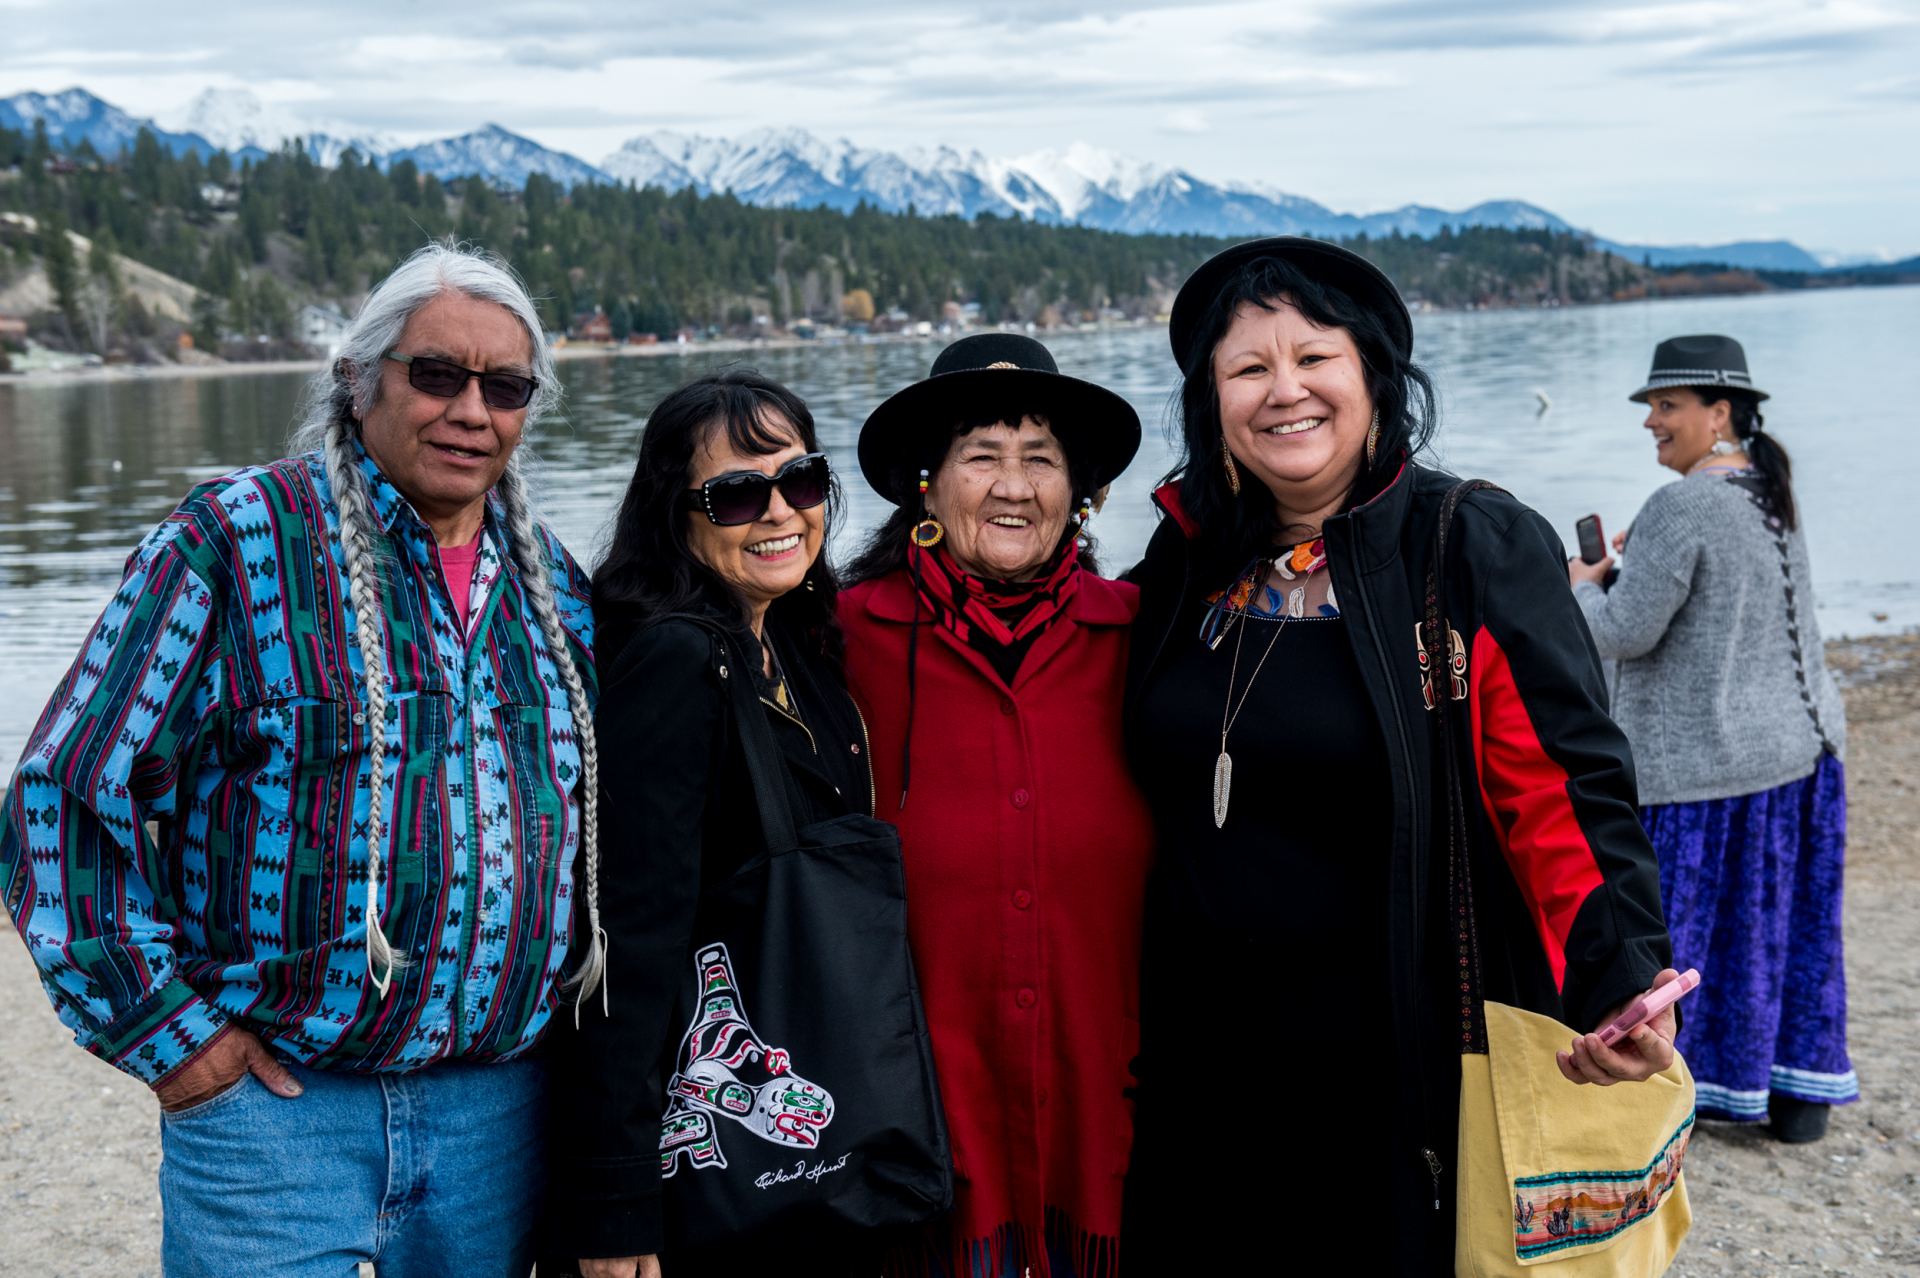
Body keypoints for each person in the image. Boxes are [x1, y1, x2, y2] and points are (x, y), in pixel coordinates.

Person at [0, 242, 597, 1276]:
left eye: (505, 387)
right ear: (357, 381)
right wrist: (174, 1042)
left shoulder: (551, 582)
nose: (472, 411)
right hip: (276, 1116)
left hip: (500, 1116)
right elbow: (64, 797)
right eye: (437, 375)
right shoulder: (234, 542)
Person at [1122, 237, 1679, 1271]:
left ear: (1375, 376)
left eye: (1314, 357)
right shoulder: (1186, 555)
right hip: (1203, 1050)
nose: (1284, 391)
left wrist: (1616, 972)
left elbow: (1557, 784)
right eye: (1248, 368)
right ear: (1212, 402)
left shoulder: (1467, 546)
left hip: (1395, 1047)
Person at [545, 371, 875, 1277]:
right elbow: (625, 941)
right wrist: (613, 1202)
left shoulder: (793, 643)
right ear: (676, 514)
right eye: (736, 494)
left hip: (791, 1123)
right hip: (703, 1150)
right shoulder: (675, 661)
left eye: (801, 480)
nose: (780, 512)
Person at [838, 333, 1152, 1277]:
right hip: (913, 1119)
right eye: (982, 456)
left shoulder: (1142, 641)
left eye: (1041, 460)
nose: (1014, 487)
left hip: (1111, 1107)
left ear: (1080, 492)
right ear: (927, 486)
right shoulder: (840, 640)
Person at [1569, 335, 1852, 1142]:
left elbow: (1621, 633)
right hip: (1802, 754)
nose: (1651, 421)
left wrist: (1581, 587)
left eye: (1667, 405)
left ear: (1719, 412)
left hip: (1708, 769)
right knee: (1789, 937)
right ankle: (1798, 1102)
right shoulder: (1767, 487)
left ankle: (1672, 1098)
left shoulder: (1681, 504)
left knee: (1680, 948)